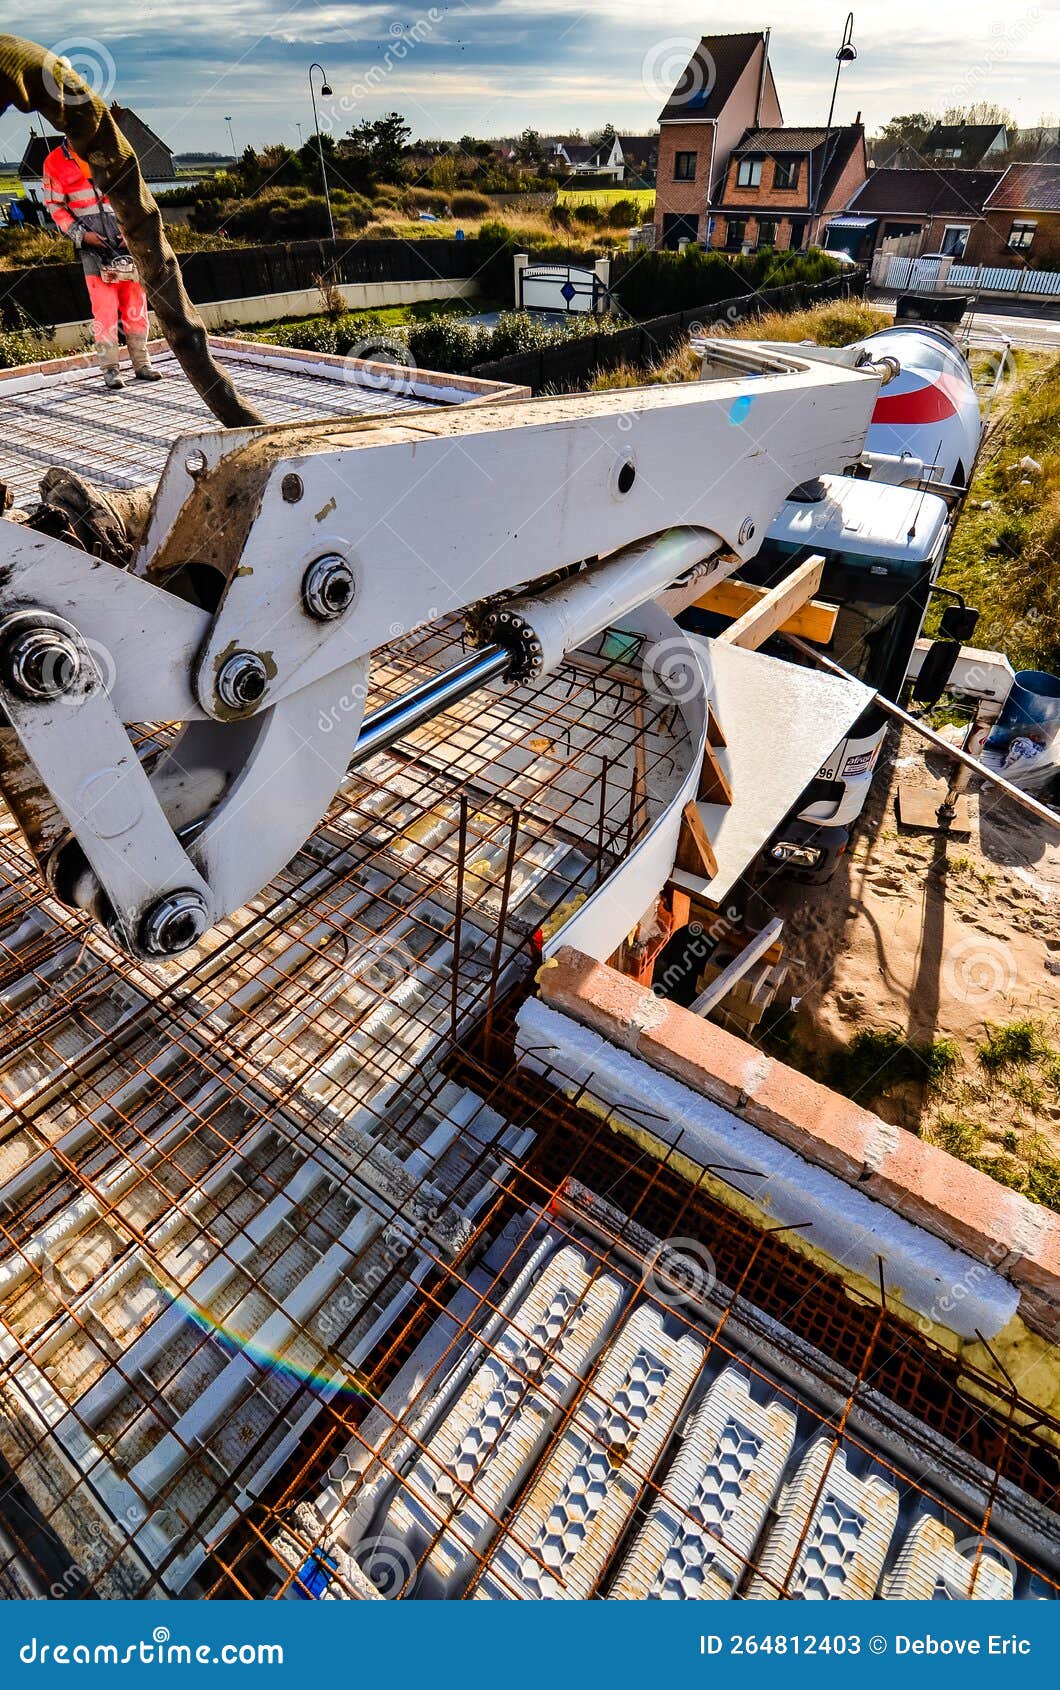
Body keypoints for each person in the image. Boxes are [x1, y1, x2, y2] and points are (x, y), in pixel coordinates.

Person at [42, 140, 161, 390]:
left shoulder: (109, 151)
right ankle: (110, 369)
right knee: (104, 310)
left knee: (135, 306)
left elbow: (133, 191)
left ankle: (142, 363)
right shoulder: (54, 162)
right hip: (93, 250)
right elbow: (55, 206)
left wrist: (129, 227)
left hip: (127, 244)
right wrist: (82, 235)